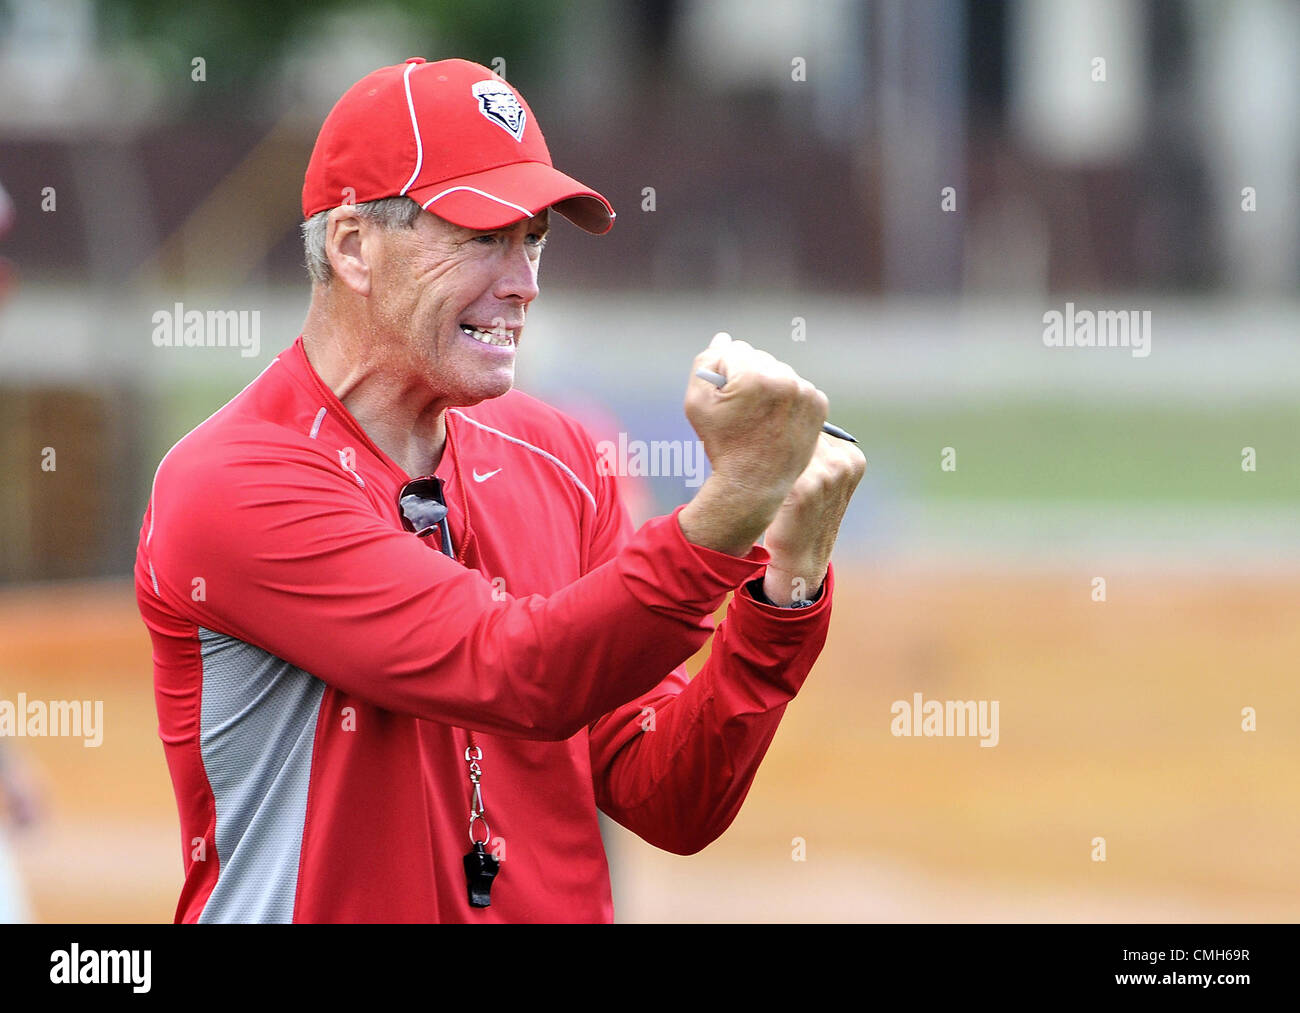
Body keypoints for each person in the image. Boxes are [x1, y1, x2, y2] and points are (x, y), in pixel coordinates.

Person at [135, 58, 865, 923]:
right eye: (484, 237)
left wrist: (785, 586)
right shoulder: (233, 481)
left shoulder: (560, 455)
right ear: (352, 246)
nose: (524, 281)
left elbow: (669, 796)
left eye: (534, 240)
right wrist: (728, 511)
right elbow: (516, 668)